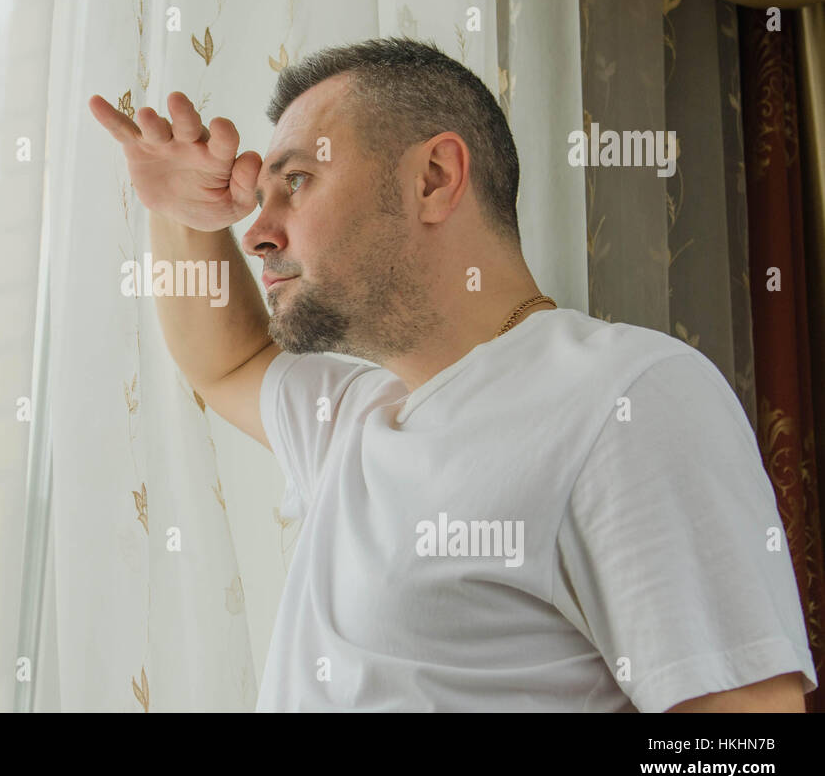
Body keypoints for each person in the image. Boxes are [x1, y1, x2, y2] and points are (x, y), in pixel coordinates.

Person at [87, 36, 817, 712]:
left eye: (298, 181)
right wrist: (185, 216)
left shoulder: (628, 397)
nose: (256, 234)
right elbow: (227, 362)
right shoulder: (352, 419)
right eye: (260, 199)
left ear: (434, 179)